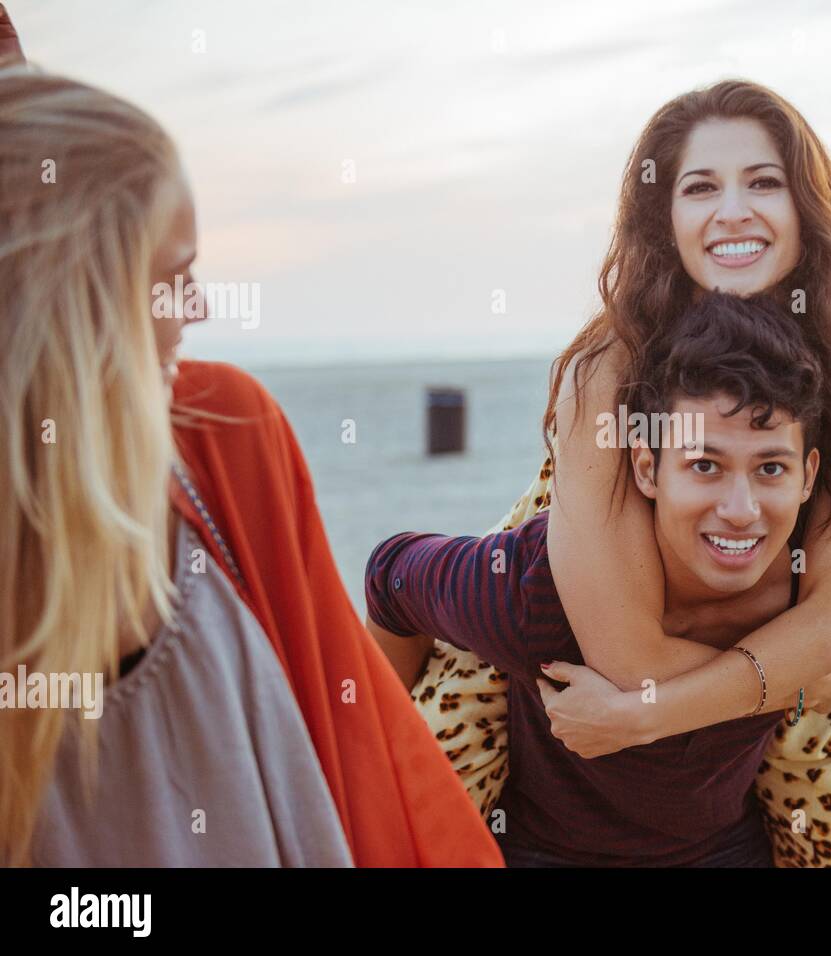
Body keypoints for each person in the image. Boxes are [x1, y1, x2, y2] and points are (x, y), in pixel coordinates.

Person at [401, 79, 831, 867]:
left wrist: (645, 715)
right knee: (452, 733)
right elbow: (628, 658)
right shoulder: (608, 366)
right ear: (664, 218)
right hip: (570, 591)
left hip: (736, 636)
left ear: (805, 204)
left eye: (763, 182)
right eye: (700, 187)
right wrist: (798, 668)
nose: (732, 210)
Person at [0, 64, 501, 866]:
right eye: (175, 277)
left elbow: (364, 741)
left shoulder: (224, 439)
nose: (199, 307)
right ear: (72, 311)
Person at [368, 292, 831, 866]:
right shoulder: (541, 593)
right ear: (648, 469)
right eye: (705, 466)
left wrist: (800, 669)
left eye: (770, 467)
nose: (741, 509)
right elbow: (391, 573)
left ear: (809, 476)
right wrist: (376, 755)